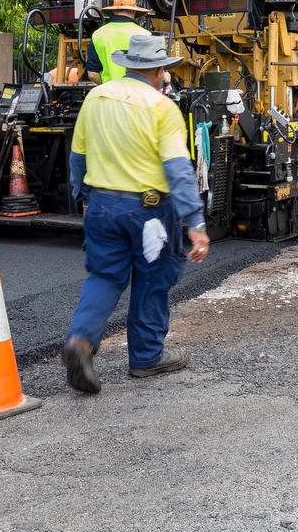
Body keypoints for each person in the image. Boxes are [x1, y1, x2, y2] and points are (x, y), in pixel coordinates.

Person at [61, 33, 210, 394]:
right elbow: (178, 170)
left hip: (101, 205)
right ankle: (146, 357)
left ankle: (80, 342)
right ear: (159, 71)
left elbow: (77, 158)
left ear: (129, 65)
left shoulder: (96, 97)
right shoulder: (162, 108)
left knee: (105, 277)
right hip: (149, 214)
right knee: (153, 281)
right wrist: (196, 223)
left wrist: (82, 195)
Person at [85, 0, 150, 84]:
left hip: (110, 95)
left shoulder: (97, 35)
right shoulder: (145, 35)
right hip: (137, 96)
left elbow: (92, 74)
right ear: (134, 11)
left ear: (114, 10)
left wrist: (106, 87)